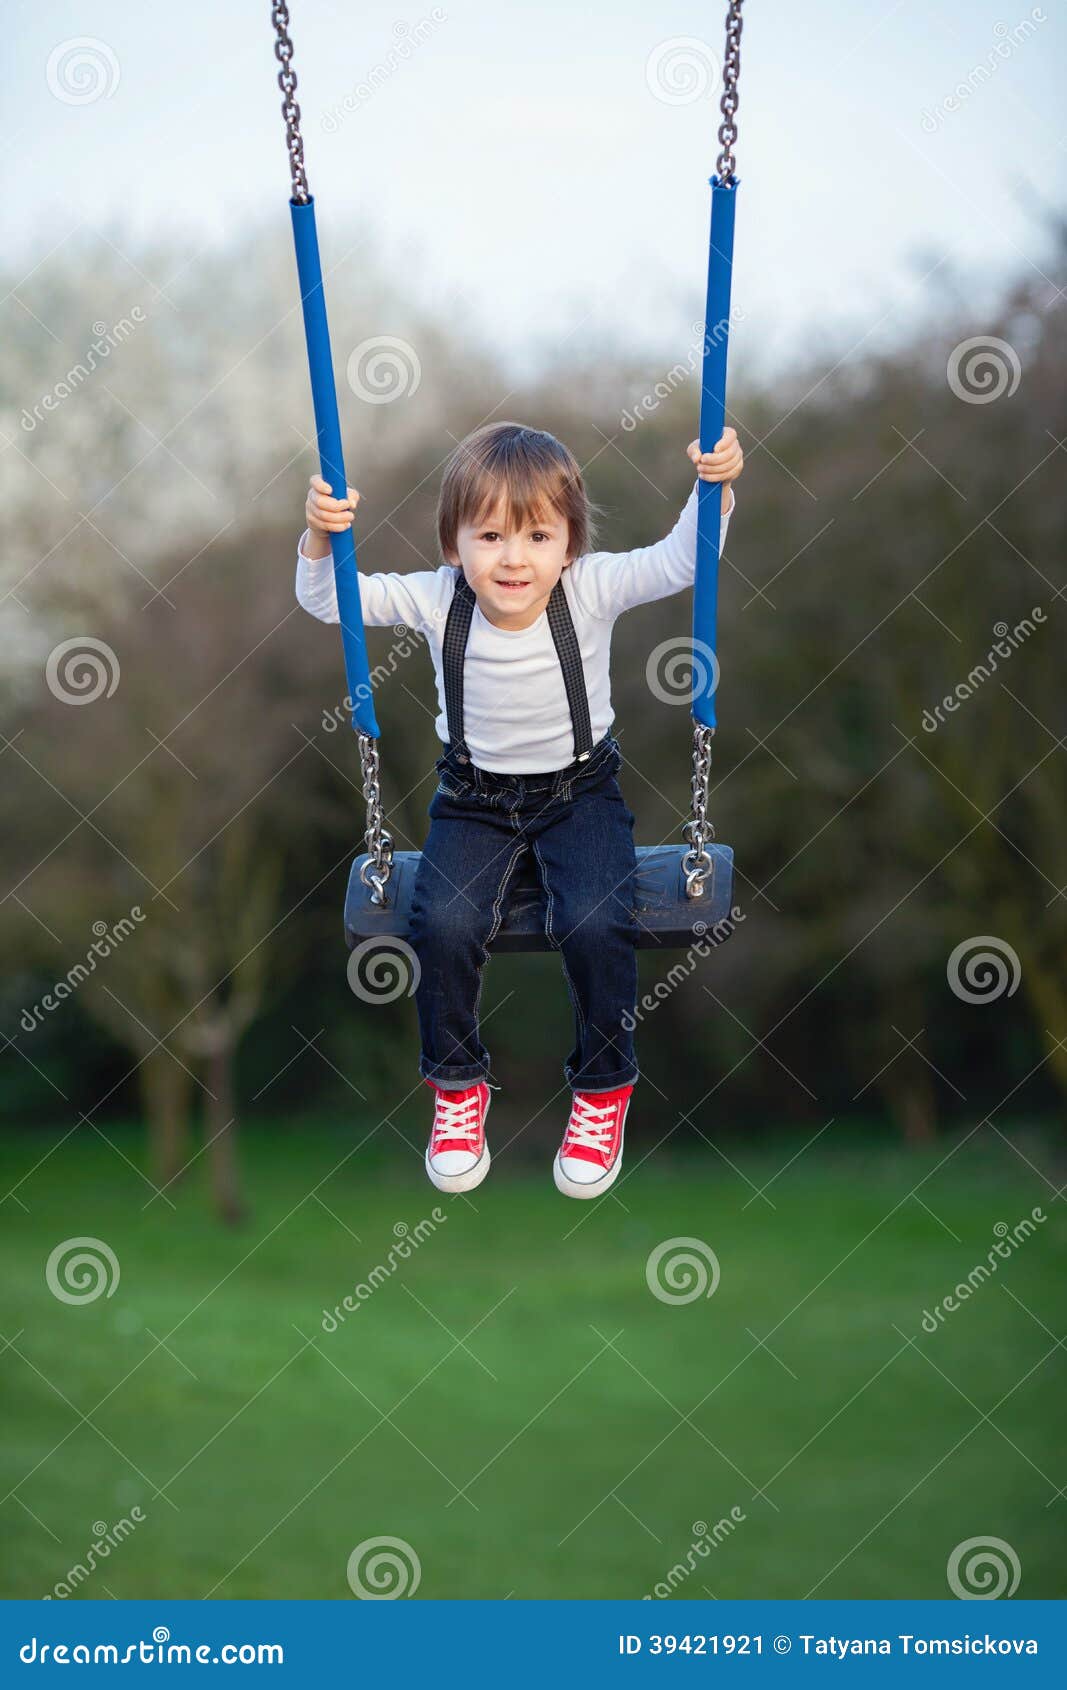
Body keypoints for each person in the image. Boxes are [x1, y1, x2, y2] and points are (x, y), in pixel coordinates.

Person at [295, 421, 742, 1199]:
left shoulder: (590, 588)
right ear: (453, 544)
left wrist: (717, 488)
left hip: (580, 794)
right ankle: (456, 1086)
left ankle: (602, 1089)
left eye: (537, 535)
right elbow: (327, 600)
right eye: (490, 535)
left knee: (595, 920)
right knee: (444, 923)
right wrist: (317, 535)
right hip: (473, 800)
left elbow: (683, 560)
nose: (512, 558)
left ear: (569, 545)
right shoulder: (435, 599)